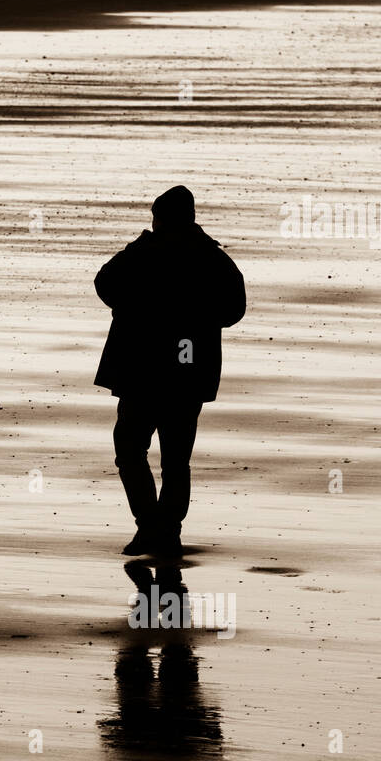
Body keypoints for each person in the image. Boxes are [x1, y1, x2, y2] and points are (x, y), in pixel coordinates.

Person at [93, 186, 245, 567]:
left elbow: (105, 283)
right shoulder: (212, 257)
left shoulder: (146, 251)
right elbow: (233, 309)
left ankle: (150, 525)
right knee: (175, 459)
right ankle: (166, 530)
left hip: (142, 371)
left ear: (160, 218)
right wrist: (199, 321)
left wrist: (140, 249)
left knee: (130, 450)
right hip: (188, 372)